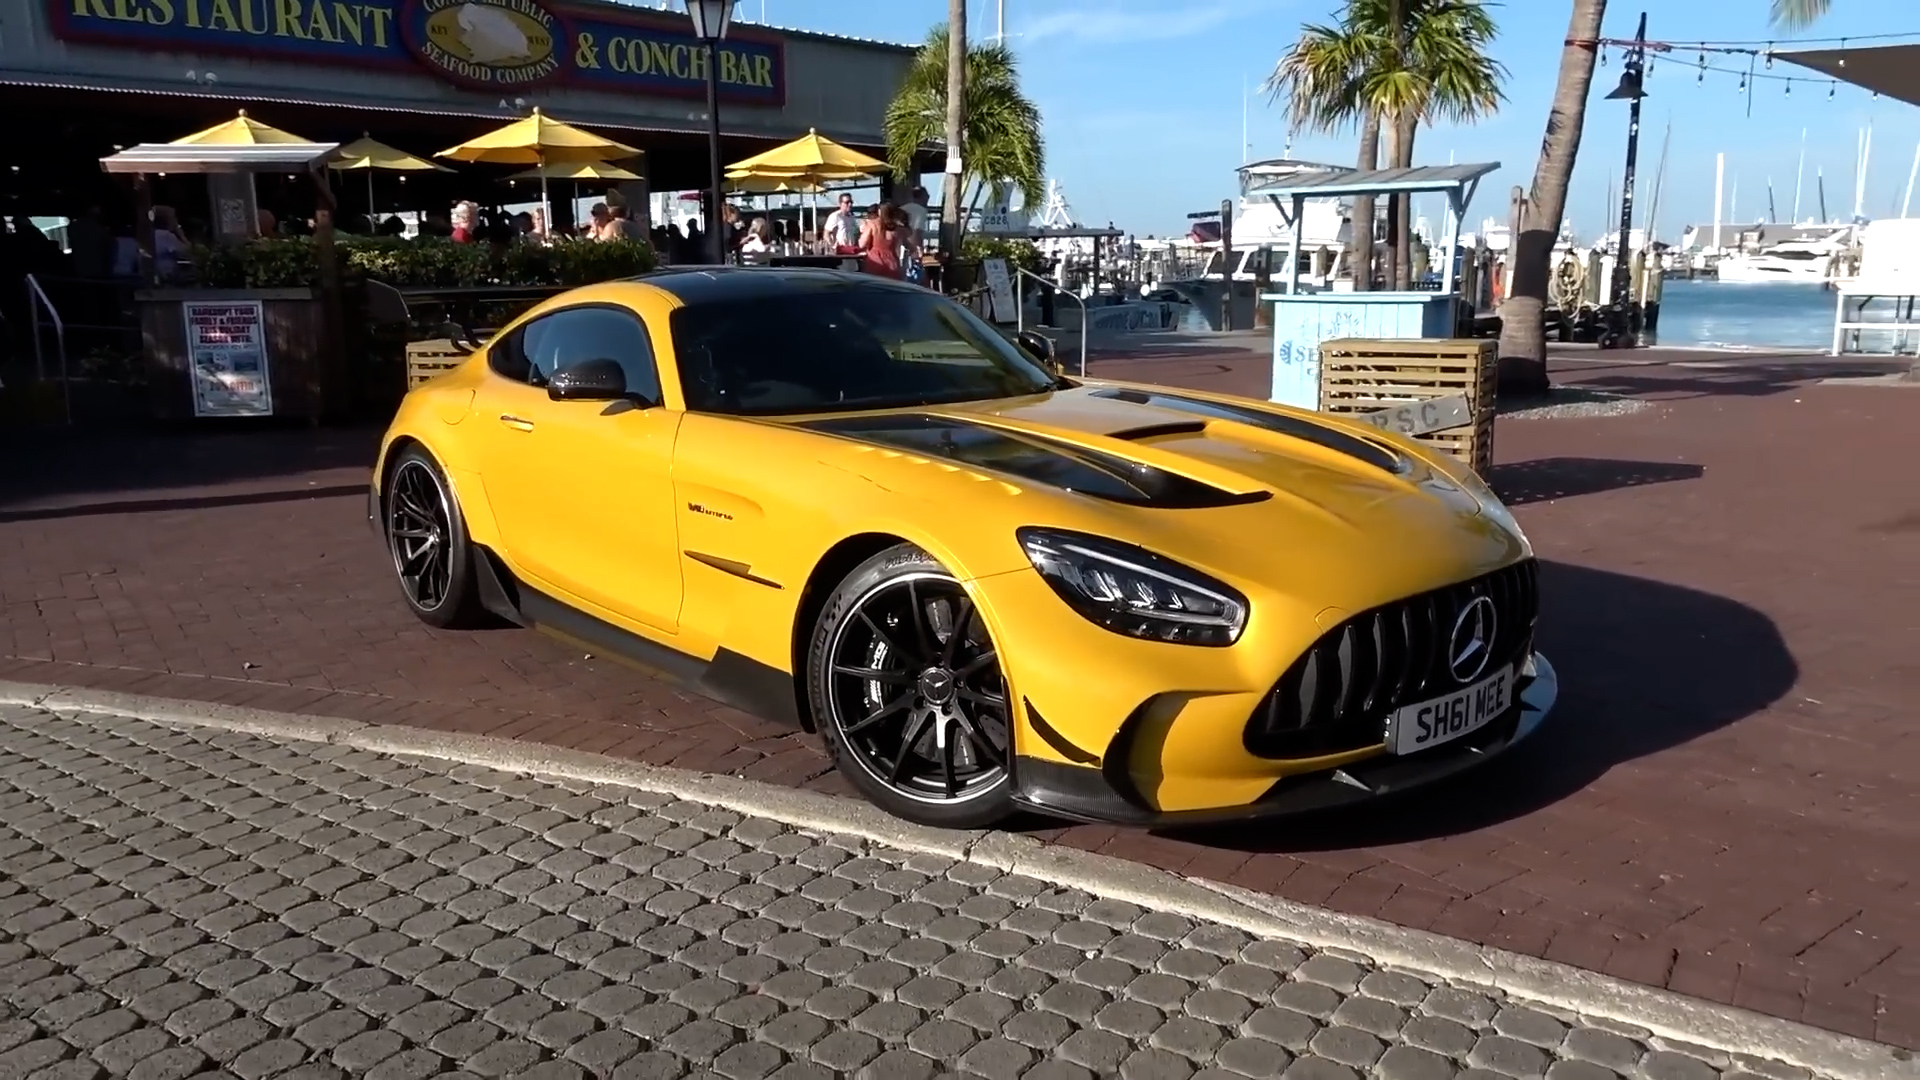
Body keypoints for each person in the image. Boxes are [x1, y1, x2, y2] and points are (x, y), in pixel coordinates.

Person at [859, 202, 904, 279]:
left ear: (879, 211)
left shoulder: (872, 224)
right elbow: (898, 249)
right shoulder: (897, 228)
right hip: (892, 262)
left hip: (875, 262)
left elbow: (861, 244)